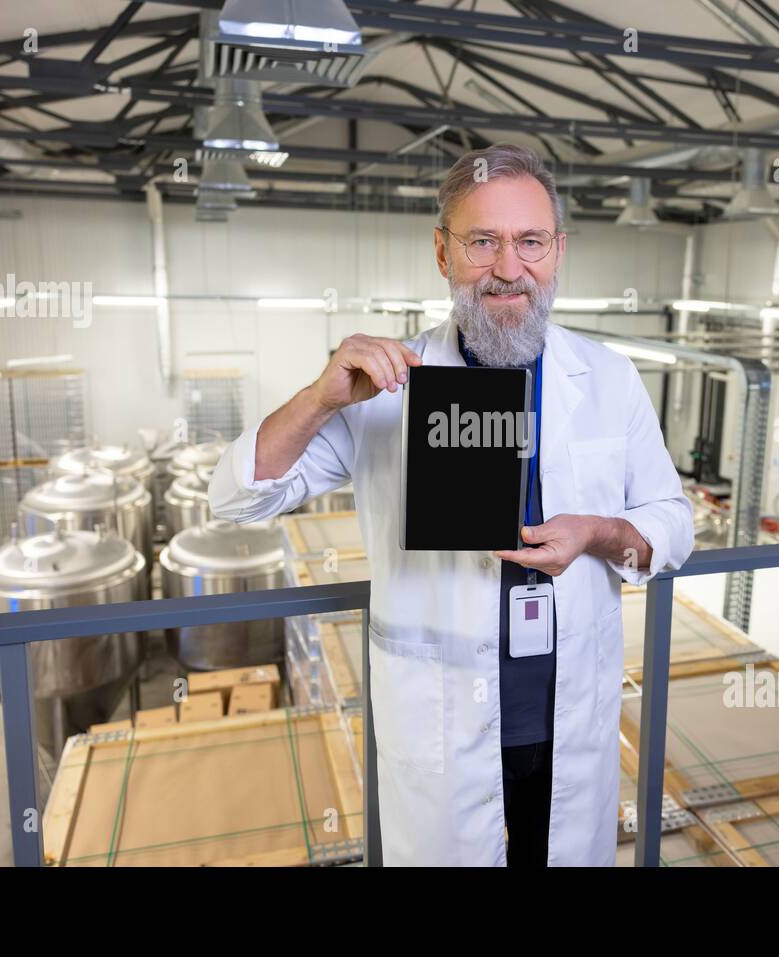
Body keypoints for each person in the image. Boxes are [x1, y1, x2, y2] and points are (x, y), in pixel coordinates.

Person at [208, 143, 694, 866]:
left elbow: (671, 528)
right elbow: (237, 497)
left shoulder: (609, 379)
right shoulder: (387, 384)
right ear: (443, 252)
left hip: (566, 723)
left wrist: (595, 531)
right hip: (440, 726)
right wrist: (319, 398)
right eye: (482, 242)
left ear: (557, 252)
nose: (508, 267)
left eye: (530, 241)